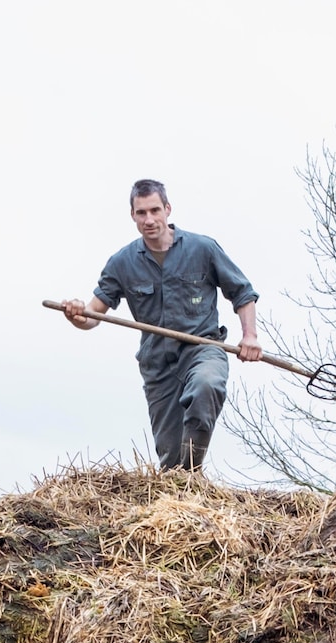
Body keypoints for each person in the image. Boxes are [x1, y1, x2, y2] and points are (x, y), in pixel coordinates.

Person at [63, 180, 262, 473]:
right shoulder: (122, 263)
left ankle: (190, 476)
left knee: (207, 385)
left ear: (167, 209)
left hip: (203, 349)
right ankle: (180, 487)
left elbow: (243, 294)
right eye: (141, 213)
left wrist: (250, 337)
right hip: (158, 367)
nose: (149, 219)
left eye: (155, 210)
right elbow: (94, 314)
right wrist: (78, 316)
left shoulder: (202, 249)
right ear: (132, 215)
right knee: (169, 462)